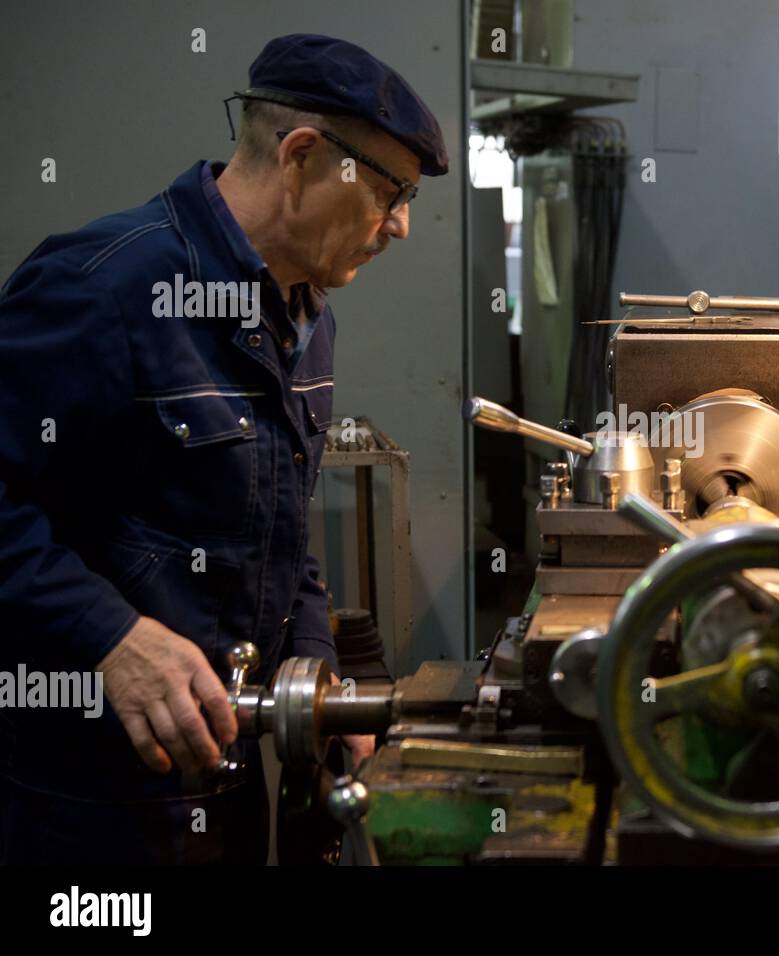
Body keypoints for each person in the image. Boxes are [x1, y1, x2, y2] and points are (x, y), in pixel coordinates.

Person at [0, 34, 448, 864]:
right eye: (390, 190)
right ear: (303, 156)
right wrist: (108, 636)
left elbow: (279, 536)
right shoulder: (105, 287)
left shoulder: (306, 317)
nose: (402, 225)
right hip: (87, 806)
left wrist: (320, 685)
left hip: (226, 787)